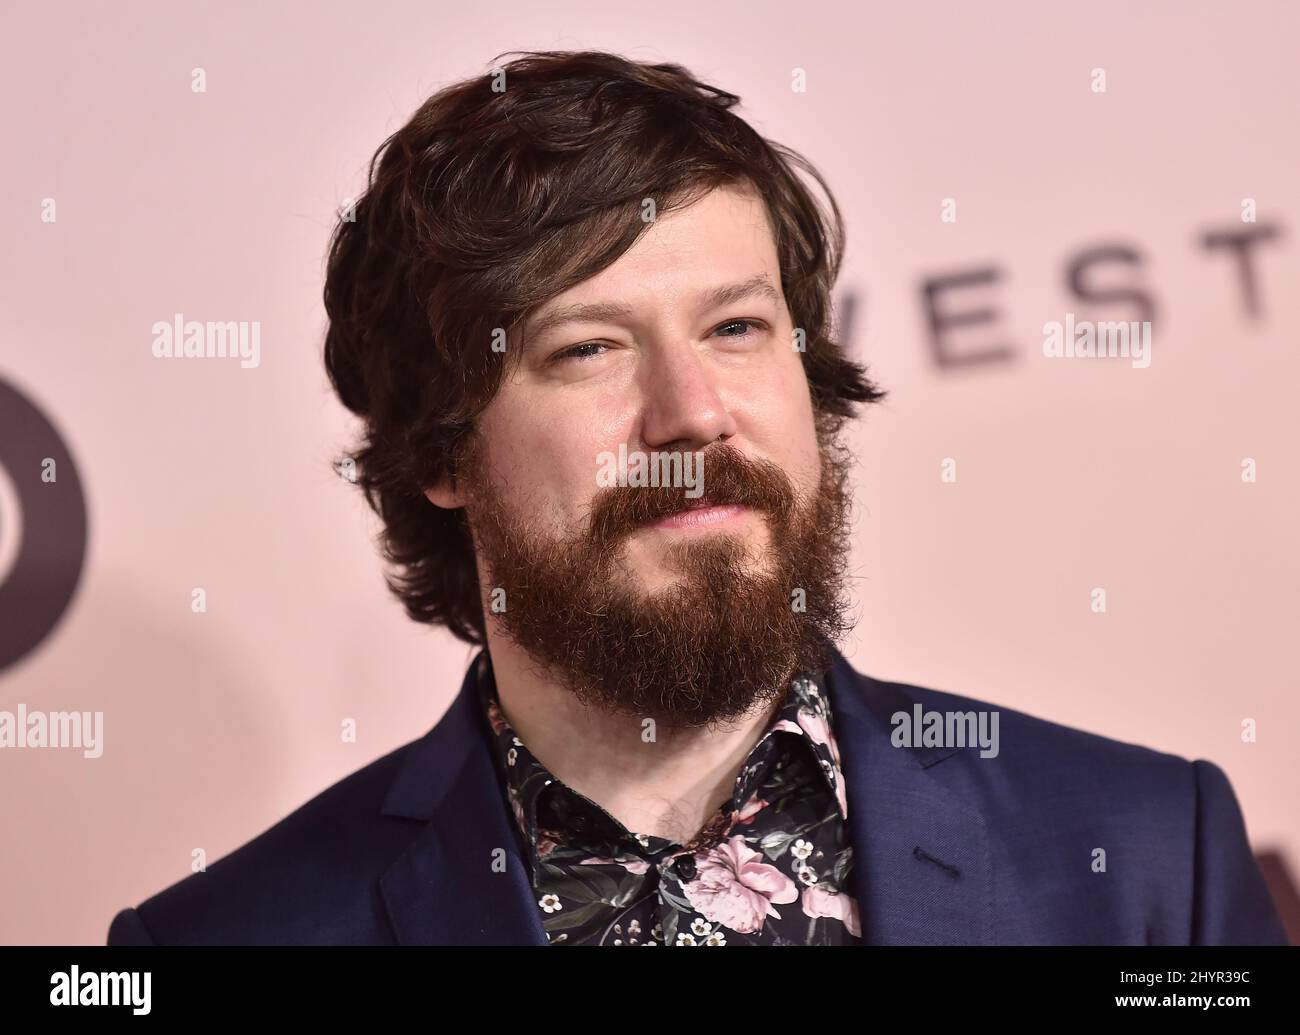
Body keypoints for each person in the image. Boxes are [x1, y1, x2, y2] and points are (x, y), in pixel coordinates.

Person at [107, 50, 1287, 947]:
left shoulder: (1143, 859)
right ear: (442, 451)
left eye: (735, 328)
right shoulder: (228, 938)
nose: (692, 413)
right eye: (586, 349)